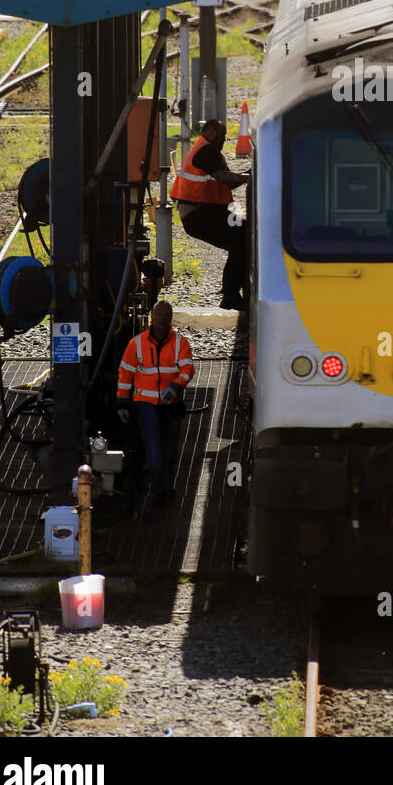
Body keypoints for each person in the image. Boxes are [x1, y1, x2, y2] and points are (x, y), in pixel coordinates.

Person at [117, 300, 193, 507]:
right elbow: (125, 373)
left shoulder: (180, 343)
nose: (162, 320)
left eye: (166, 316)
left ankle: (165, 485)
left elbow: (187, 369)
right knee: (154, 449)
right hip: (146, 405)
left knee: (169, 451)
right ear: (152, 318)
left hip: (171, 405)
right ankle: (158, 489)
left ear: (171, 318)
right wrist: (123, 401)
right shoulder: (137, 344)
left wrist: (176, 386)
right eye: (158, 315)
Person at [171, 117, 247, 311]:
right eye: (222, 135)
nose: (224, 140)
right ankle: (230, 295)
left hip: (204, 213)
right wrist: (252, 175)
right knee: (242, 238)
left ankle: (240, 290)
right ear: (212, 133)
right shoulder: (207, 151)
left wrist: (248, 173)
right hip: (198, 215)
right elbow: (226, 179)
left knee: (242, 235)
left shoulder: (204, 148)